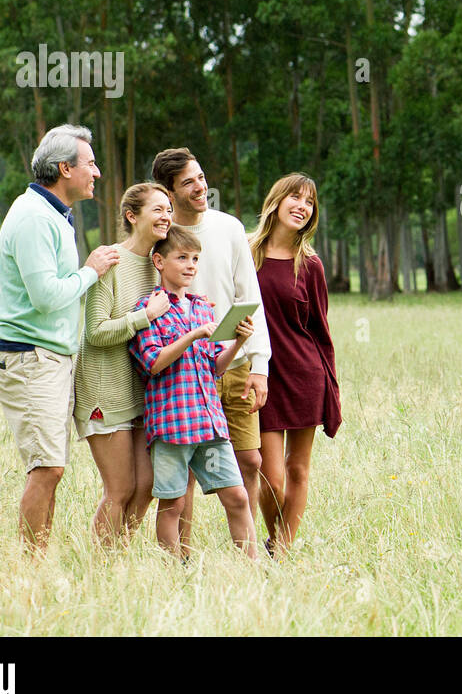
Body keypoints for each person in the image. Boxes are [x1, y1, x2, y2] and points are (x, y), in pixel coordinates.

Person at [0, 124, 120, 554]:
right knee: (46, 469)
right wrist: (93, 270)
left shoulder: (54, 215)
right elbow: (46, 297)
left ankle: (37, 562)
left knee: (52, 468)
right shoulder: (32, 217)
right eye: (90, 164)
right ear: (65, 168)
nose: (97, 173)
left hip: (52, 360)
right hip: (31, 359)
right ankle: (30, 568)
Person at [151, 148, 270, 556]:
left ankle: (245, 554)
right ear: (168, 191)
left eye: (201, 177)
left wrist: (260, 366)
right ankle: (183, 554)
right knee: (181, 474)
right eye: (188, 182)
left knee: (249, 460)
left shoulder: (230, 228)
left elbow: (249, 296)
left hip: (232, 364)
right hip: (181, 374)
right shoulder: (160, 237)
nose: (201, 187)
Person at [129, 225, 258, 560]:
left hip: (208, 423)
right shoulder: (148, 309)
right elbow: (153, 363)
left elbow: (215, 366)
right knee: (173, 503)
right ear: (158, 261)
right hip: (173, 426)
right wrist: (193, 335)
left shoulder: (203, 307)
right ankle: (177, 570)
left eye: (195, 259)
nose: (191, 265)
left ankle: (254, 568)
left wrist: (239, 342)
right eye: (182, 257)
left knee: (237, 497)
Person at [74, 183, 174, 546]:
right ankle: (100, 565)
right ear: (132, 216)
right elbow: (96, 333)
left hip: (141, 394)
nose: (166, 217)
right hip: (104, 392)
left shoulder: (156, 265)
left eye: (169, 210)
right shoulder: (110, 261)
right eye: (158, 210)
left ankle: (119, 556)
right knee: (119, 488)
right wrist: (144, 316)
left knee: (146, 485)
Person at [249, 173, 341, 555]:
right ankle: (276, 539)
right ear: (277, 200)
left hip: (305, 375)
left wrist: (331, 387)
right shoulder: (247, 253)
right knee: (269, 478)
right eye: (295, 197)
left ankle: (282, 554)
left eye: (309, 202)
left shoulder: (312, 265)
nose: (302, 206)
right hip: (262, 375)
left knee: (298, 470)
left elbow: (321, 330)